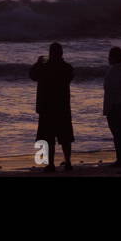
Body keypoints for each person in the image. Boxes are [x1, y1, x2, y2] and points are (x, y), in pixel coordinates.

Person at [30, 42, 75, 172]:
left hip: (46, 107)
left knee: (48, 137)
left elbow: (32, 75)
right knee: (65, 137)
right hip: (62, 106)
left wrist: (38, 63)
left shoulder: (44, 68)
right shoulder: (67, 68)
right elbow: (71, 76)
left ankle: (50, 164)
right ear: (61, 53)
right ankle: (68, 162)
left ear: (50, 53)